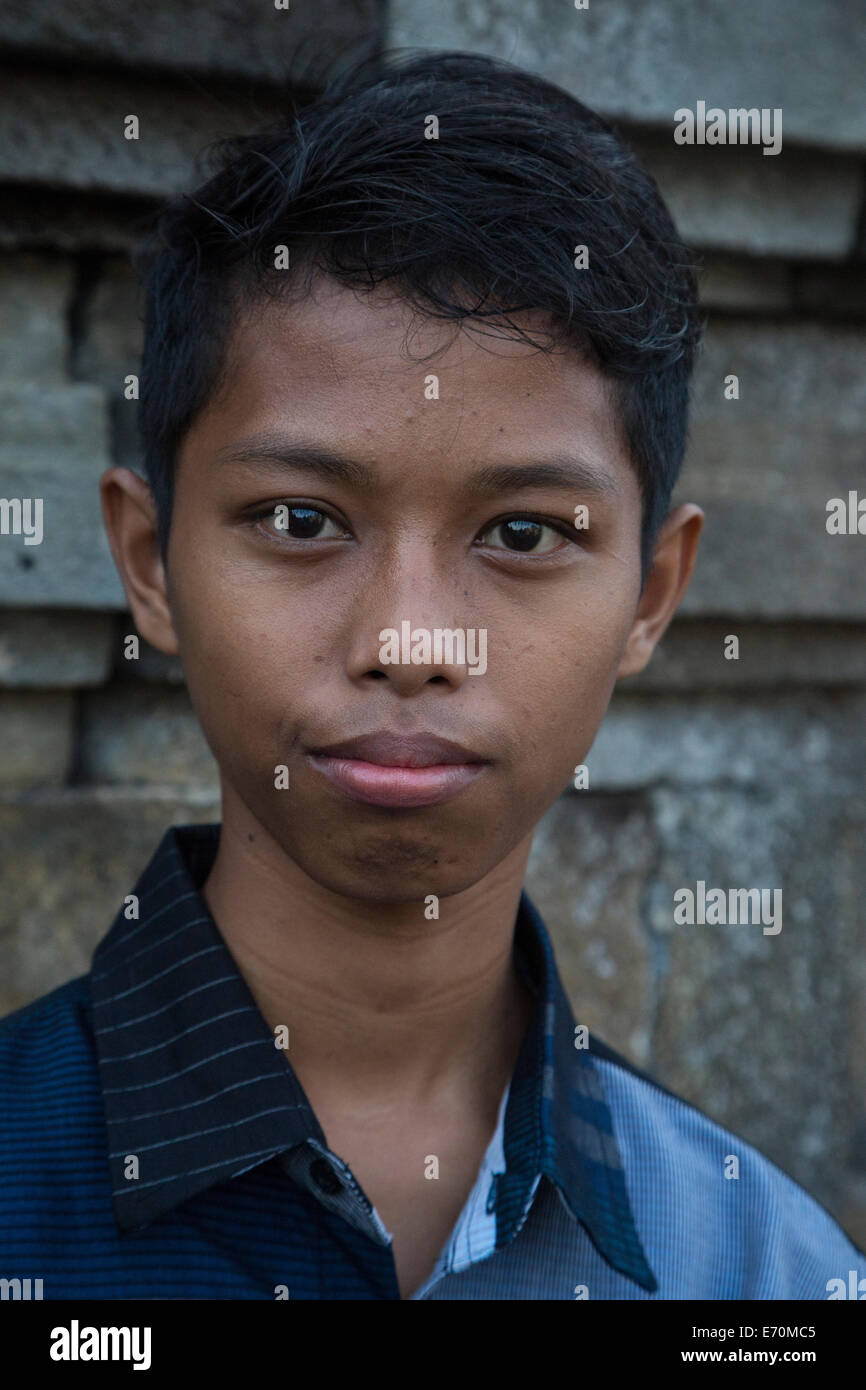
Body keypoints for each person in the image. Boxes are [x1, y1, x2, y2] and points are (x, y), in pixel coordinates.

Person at [1, 49, 862, 1300]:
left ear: (649, 595)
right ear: (149, 561)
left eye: (522, 534)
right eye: (300, 520)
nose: (410, 641)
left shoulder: (756, 1274)